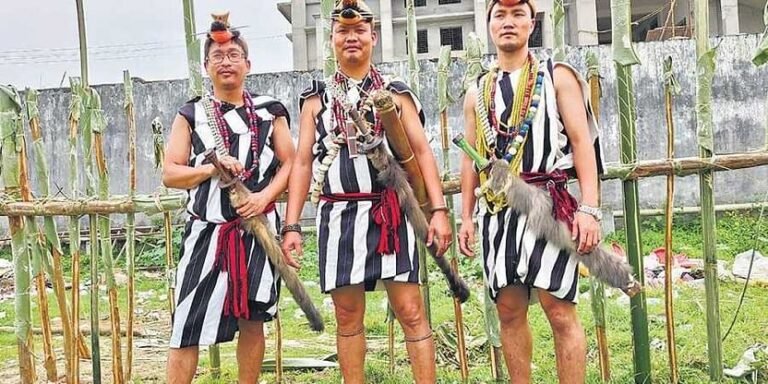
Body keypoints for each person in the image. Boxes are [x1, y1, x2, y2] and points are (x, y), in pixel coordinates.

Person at [280, 1, 452, 382]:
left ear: (373, 37)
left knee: (410, 309)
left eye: (359, 31)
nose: (351, 38)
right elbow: (303, 164)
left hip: (392, 211)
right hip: (339, 216)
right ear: (332, 40)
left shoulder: (397, 94)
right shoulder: (316, 101)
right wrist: (291, 226)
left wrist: (438, 211)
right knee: (347, 314)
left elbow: (422, 153)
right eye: (343, 32)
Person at [458, 0, 604, 382]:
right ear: (489, 24)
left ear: (531, 22)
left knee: (559, 308)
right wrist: (465, 218)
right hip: (497, 212)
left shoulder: (557, 77)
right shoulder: (477, 90)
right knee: (508, 309)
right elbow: (471, 161)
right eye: (500, 15)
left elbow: (582, 143)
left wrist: (589, 208)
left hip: (547, 206)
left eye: (517, 14)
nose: (508, 23)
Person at [162, 11, 295, 384]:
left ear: (247, 64)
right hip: (207, 233)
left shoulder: (270, 112)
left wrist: (264, 196)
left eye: (234, 55)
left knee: (253, 320)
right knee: (186, 324)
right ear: (207, 66)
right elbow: (170, 173)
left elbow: (291, 163)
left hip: (257, 233)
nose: (226, 62)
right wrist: (209, 168)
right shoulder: (191, 114)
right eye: (218, 56)